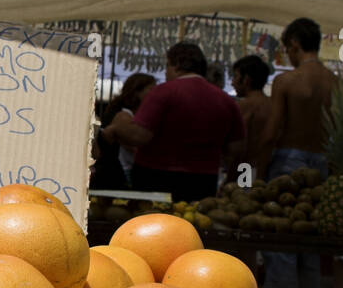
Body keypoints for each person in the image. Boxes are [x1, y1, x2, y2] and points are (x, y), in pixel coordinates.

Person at [104, 42, 244, 203]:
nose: (165, 73)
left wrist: (117, 128)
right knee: (192, 224)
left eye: (167, 66)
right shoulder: (227, 101)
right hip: (204, 180)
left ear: (177, 65)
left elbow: (140, 136)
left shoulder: (163, 91)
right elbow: (236, 150)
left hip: (156, 177)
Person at [262, 17, 337, 288]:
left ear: (294, 44)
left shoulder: (286, 81)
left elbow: (271, 132)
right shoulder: (336, 83)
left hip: (288, 161)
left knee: (282, 238)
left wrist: (255, 170)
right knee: (311, 238)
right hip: (323, 163)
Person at [91, 72, 156, 190]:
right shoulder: (124, 115)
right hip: (118, 170)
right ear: (137, 91)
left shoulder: (127, 113)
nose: (155, 93)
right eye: (151, 89)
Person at [226, 55, 274, 182]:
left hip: (246, 169)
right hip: (269, 172)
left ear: (246, 80)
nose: (232, 82)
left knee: (242, 200)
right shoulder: (273, 106)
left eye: (235, 76)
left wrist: (230, 179)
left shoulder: (244, 106)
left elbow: (240, 148)